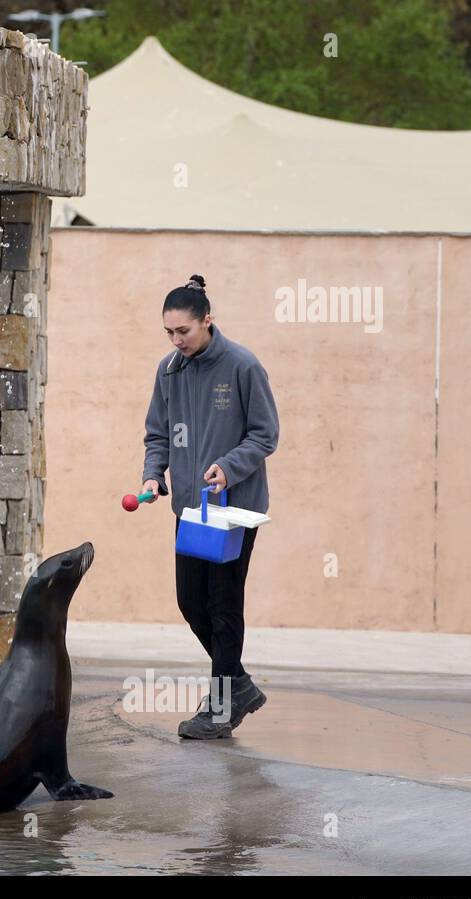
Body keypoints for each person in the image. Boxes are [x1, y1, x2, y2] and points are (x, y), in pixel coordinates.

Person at [140, 275, 279, 739]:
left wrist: (228, 466)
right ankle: (237, 683)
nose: (177, 341)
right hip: (189, 508)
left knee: (223, 605)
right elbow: (157, 433)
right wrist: (153, 474)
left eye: (184, 331)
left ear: (207, 321)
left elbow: (265, 434)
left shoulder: (242, 366)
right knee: (190, 601)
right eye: (169, 333)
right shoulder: (169, 371)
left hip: (233, 509)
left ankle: (221, 706)